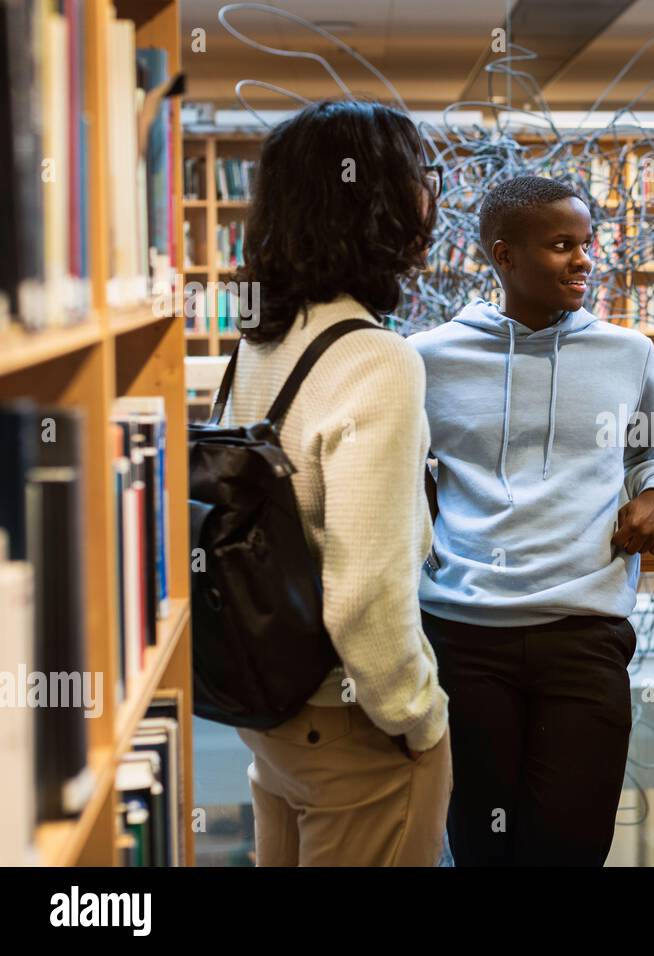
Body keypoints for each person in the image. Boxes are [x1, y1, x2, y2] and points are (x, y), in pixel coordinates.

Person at [408, 176, 654, 866]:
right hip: (464, 633)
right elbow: (400, 472)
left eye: (587, 244)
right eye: (562, 245)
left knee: (571, 849)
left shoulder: (629, 354)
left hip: (584, 632)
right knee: (482, 850)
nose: (584, 260)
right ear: (504, 257)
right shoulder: (427, 358)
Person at [225, 100, 451, 866]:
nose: (430, 196)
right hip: (352, 725)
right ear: (378, 202)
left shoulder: (259, 344)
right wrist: (418, 717)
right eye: (424, 177)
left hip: (273, 715)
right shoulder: (375, 360)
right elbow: (363, 594)